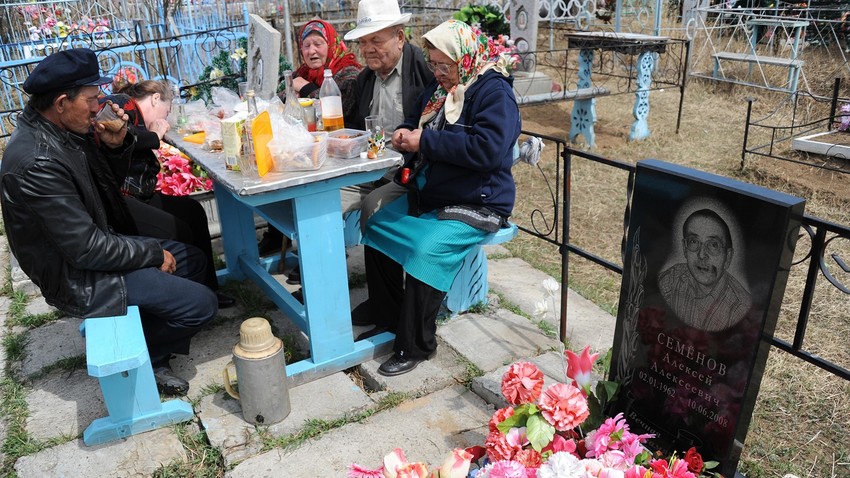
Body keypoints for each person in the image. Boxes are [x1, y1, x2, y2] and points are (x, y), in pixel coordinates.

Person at [0, 48, 217, 395]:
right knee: (201, 305)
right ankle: (150, 354)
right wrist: (150, 252)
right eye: (90, 98)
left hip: (94, 248)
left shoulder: (66, 131)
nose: (97, 104)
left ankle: (148, 334)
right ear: (60, 103)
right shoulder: (37, 162)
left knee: (192, 259)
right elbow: (85, 250)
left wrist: (116, 148)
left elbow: (105, 196)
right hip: (77, 275)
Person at [355, 20, 522, 376]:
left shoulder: (493, 92)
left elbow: (488, 151)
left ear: (466, 57)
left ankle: (416, 345)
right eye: (433, 64)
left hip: (479, 201)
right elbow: (417, 123)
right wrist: (405, 134)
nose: (438, 72)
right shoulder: (441, 88)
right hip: (436, 193)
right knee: (377, 224)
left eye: (444, 65)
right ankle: (389, 316)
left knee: (425, 249)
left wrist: (425, 142)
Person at [101, 79, 235, 308]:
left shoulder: (137, 116)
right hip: (117, 200)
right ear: (155, 98)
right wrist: (154, 136)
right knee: (177, 229)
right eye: (168, 109)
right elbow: (114, 131)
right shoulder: (122, 103)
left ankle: (208, 289)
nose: (167, 115)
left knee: (193, 211)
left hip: (137, 194)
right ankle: (185, 300)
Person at [258, 19, 364, 265]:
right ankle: (280, 236)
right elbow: (280, 99)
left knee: (309, 198)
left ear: (332, 45)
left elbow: (337, 106)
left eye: (318, 43)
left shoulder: (348, 72)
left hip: (341, 156)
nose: (311, 51)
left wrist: (305, 90)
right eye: (306, 45)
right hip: (310, 152)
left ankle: (323, 256)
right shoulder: (302, 73)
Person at [340, 0, 435, 223]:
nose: (367, 49)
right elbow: (355, 129)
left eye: (375, 40)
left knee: (374, 207)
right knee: (324, 201)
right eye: (362, 42)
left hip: (409, 174)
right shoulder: (365, 79)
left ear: (400, 38)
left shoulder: (425, 70)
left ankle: (378, 258)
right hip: (370, 170)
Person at [658, 209, 752, 332]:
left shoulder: (740, 308)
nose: (702, 254)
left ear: (728, 257)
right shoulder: (671, 278)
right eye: (693, 241)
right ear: (685, 249)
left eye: (713, 245)